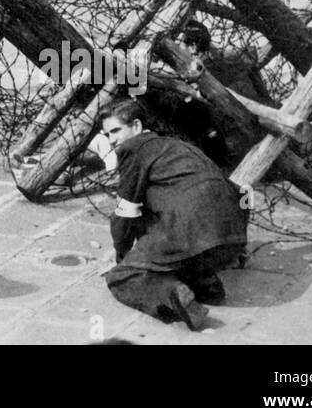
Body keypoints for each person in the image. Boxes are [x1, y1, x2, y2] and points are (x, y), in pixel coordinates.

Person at [101, 98, 248, 332]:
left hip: (189, 232)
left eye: (116, 130)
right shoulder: (177, 146)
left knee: (122, 278)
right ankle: (204, 282)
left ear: (137, 127)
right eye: (107, 135)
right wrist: (239, 246)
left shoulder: (134, 148)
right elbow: (240, 192)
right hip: (229, 238)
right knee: (169, 248)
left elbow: (125, 211)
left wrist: (122, 258)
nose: (112, 140)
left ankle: (172, 295)